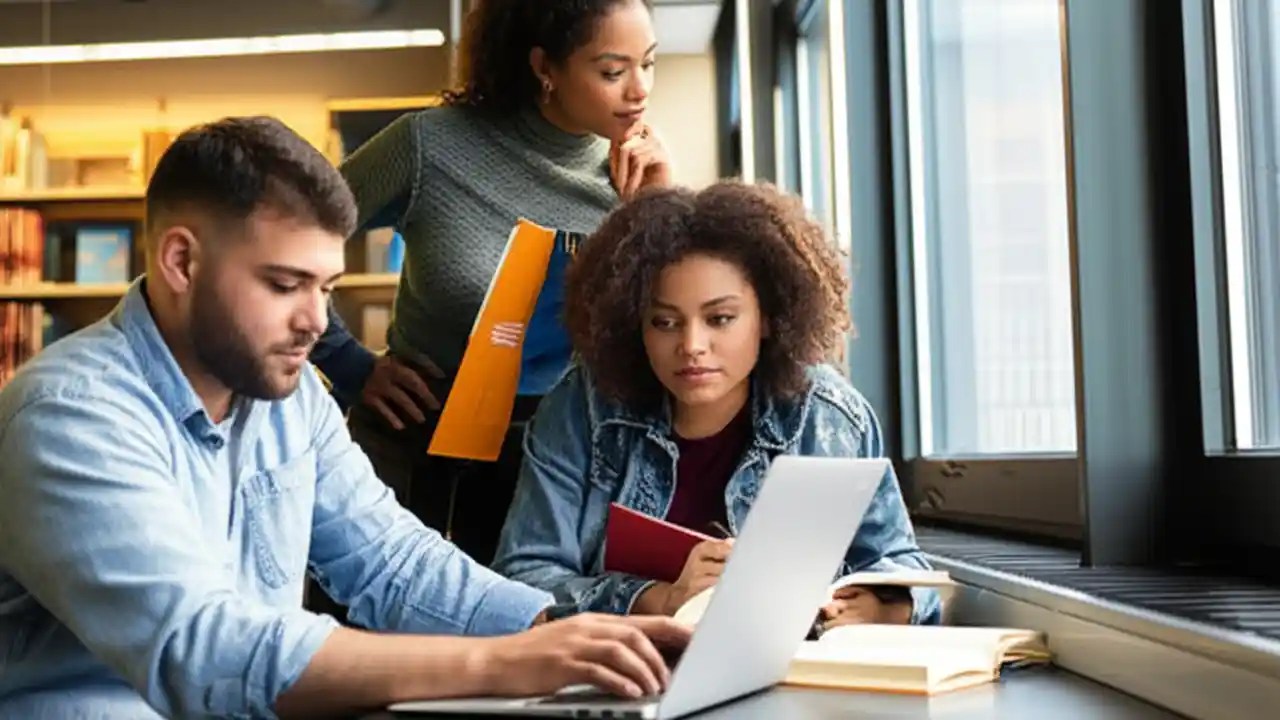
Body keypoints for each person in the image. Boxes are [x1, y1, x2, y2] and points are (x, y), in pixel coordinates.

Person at [0, 117, 690, 719]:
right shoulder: (68, 415)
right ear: (181, 261)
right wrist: (504, 663)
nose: (314, 322)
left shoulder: (287, 397)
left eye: (325, 287)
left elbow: (393, 564)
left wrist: (573, 632)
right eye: (283, 284)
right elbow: (202, 650)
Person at [308, 0, 672, 567]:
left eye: (648, 63)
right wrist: (347, 362)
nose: (639, 90)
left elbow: (670, 334)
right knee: (384, 646)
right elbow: (287, 233)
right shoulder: (430, 145)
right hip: (413, 452)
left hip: (553, 464)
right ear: (543, 67)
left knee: (519, 642)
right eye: (612, 71)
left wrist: (658, 206)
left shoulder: (637, 171)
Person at [493, 182, 942, 629]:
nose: (692, 346)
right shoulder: (581, 408)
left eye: (720, 319)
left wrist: (884, 606)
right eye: (665, 322)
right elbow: (522, 578)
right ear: (634, 324)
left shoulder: (829, 413)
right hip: (622, 673)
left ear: (768, 317)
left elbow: (900, 565)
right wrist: (657, 599)